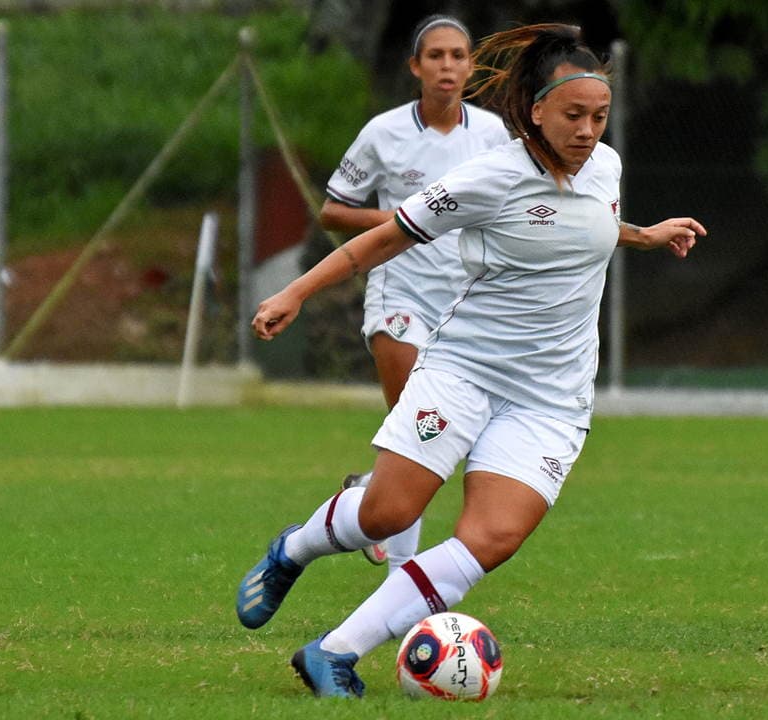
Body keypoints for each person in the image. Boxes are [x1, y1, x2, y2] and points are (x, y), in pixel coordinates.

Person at [236, 23, 707, 698]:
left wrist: (644, 235)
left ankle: (332, 653)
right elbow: (383, 239)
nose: (587, 130)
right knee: (387, 514)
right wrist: (295, 293)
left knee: (491, 537)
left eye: (599, 116)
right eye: (573, 115)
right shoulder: (489, 177)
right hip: (465, 373)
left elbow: (589, 225)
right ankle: (294, 549)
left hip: (551, 398)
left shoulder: (606, 167)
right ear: (536, 111)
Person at [319, 14, 509, 570]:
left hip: (466, 304)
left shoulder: (493, 134)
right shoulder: (383, 133)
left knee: (441, 437)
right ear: (415, 67)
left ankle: (368, 489)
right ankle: (404, 582)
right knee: (418, 427)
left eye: (458, 56)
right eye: (435, 55)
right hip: (400, 293)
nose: (447, 66)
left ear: (471, 67)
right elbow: (333, 209)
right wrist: (407, 219)